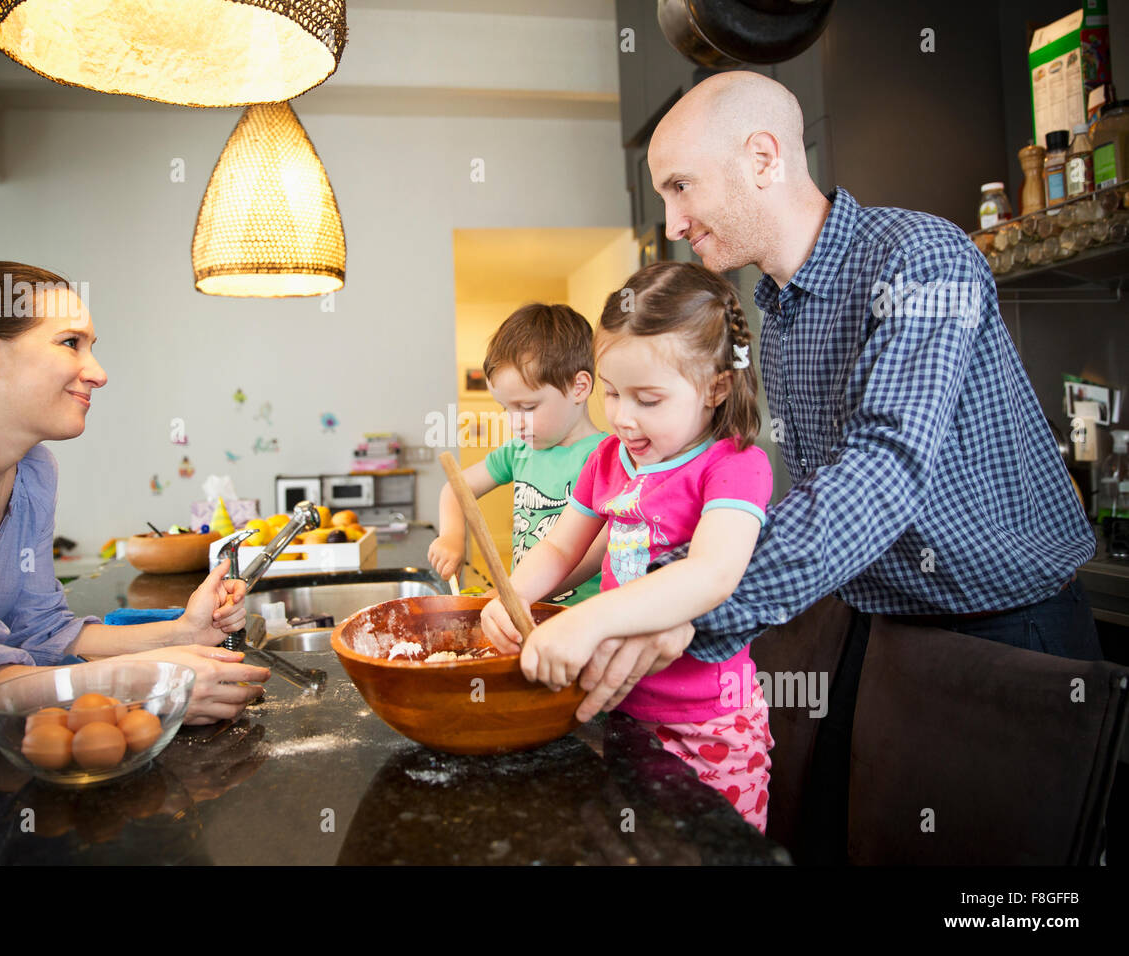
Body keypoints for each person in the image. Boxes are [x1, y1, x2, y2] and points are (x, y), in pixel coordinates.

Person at [613, 71, 1099, 860]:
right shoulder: (776, 316)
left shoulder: (920, 258)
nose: (671, 224)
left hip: (1014, 635)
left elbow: (880, 473)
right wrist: (674, 577)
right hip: (885, 629)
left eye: (680, 187)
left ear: (763, 157)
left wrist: (690, 602)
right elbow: (809, 502)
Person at [0, 261, 269, 736]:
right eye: (70, 342)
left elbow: (38, 631)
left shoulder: (33, 471)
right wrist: (140, 681)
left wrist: (182, 632)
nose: (97, 373)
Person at [480, 262, 775, 833]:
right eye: (613, 394)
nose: (623, 418)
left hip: (709, 726)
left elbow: (713, 573)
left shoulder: (735, 466)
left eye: (649, 399)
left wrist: (588, 620)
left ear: (717, 386)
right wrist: (509, 596)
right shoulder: (608, 459)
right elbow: (562, 550)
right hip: (617, 713)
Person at [427, 303, 607, 604]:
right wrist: (452, 536)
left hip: (581, 618)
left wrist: (521, 590)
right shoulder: (519, 451)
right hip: (525, 608)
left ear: (579, 387)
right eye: (507, 409)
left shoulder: (608, 458)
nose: (515, 423)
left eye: (528, 407)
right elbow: (456, 488)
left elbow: (598, 552)